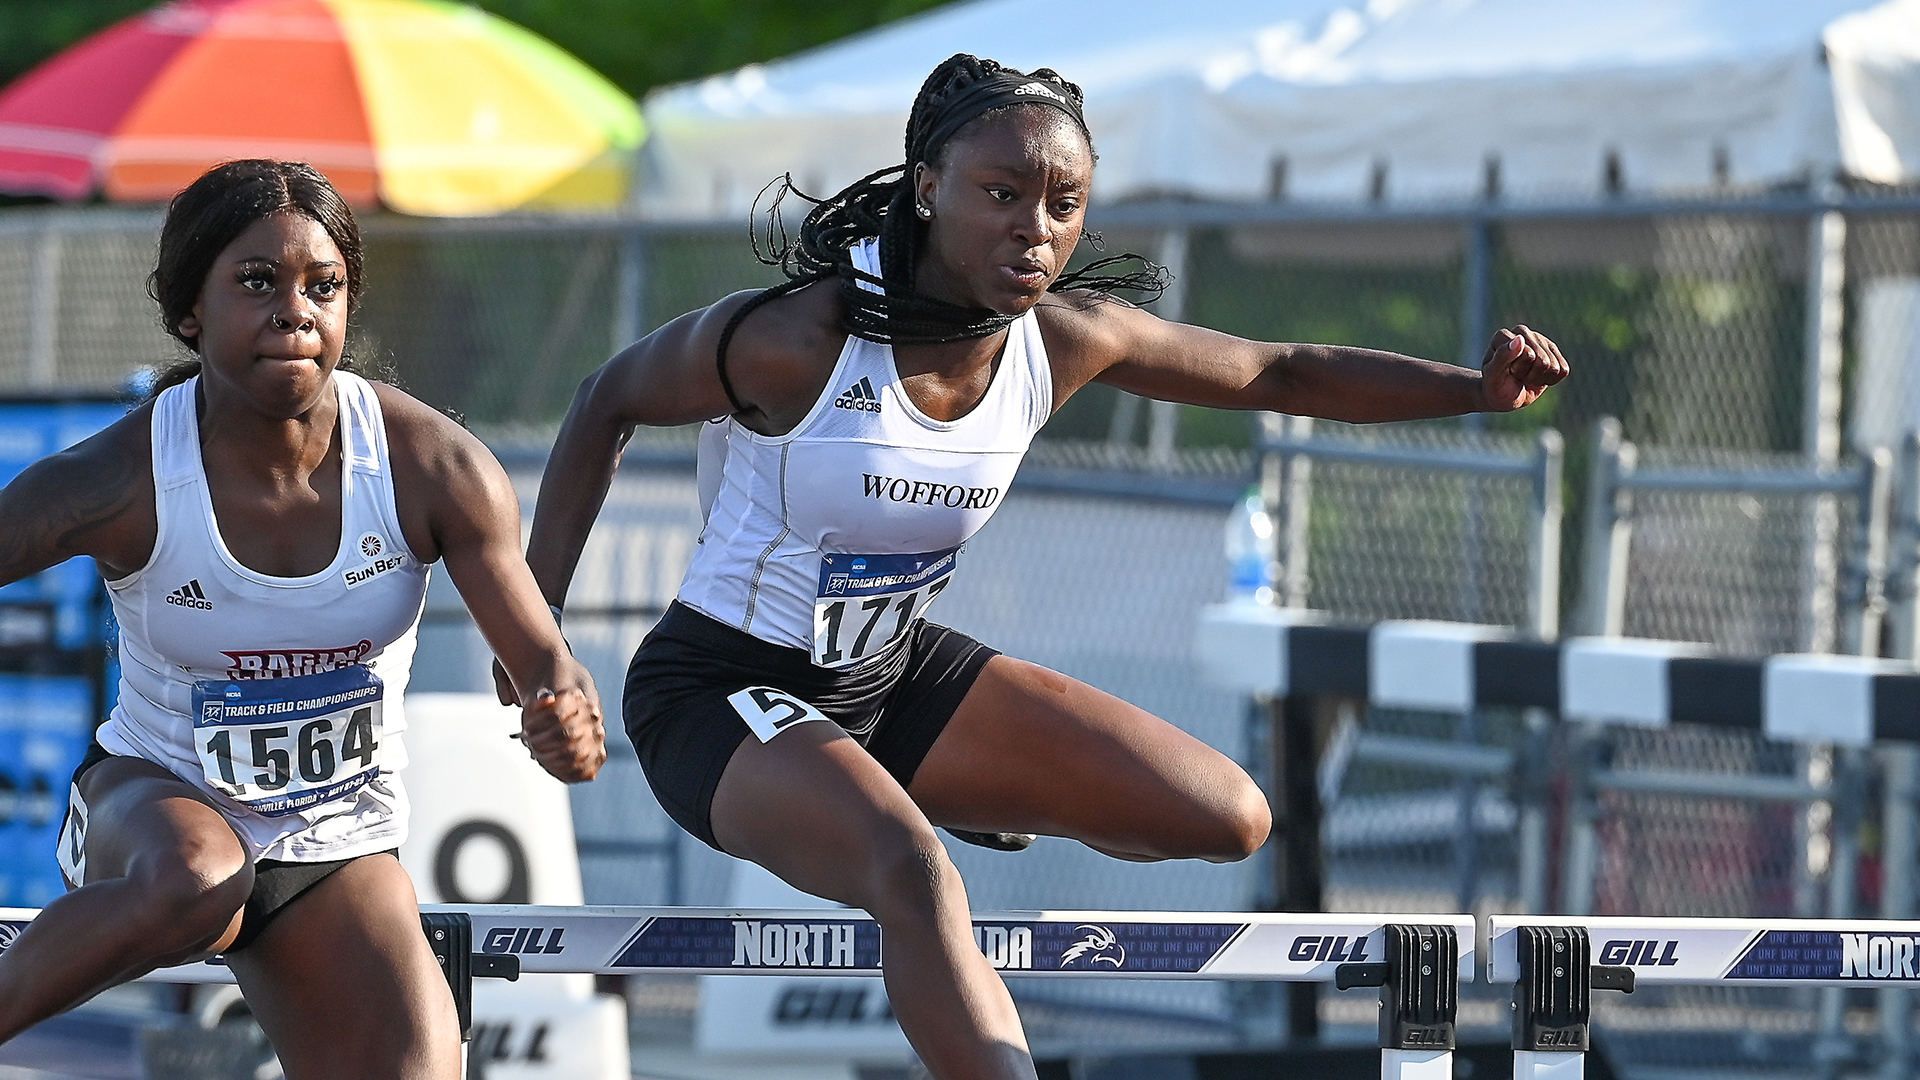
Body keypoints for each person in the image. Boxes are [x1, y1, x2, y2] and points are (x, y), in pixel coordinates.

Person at [521, 54, 1568, 1080]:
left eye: (1065, 205)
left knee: (1228, 817)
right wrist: (537, 641)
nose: (1036, 228)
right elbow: (603, 401)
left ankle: (941, 788)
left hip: (889, 679)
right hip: (723, 691)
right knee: (913, 874)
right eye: (1003, 194)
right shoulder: (800, 338)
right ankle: (908, 825)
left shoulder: (1063, 340)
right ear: (927, 188)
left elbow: (1274, 371)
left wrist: (1473, 391)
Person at [0, 160, 605, 1079]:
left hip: (335, 837)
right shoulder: (122, 478)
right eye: (257, 282)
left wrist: (564, 711)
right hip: (154, 807)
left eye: (323, 287)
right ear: (189, 311)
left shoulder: (431, 467)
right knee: (201, 879)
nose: (295, 313)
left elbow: (544, 662)